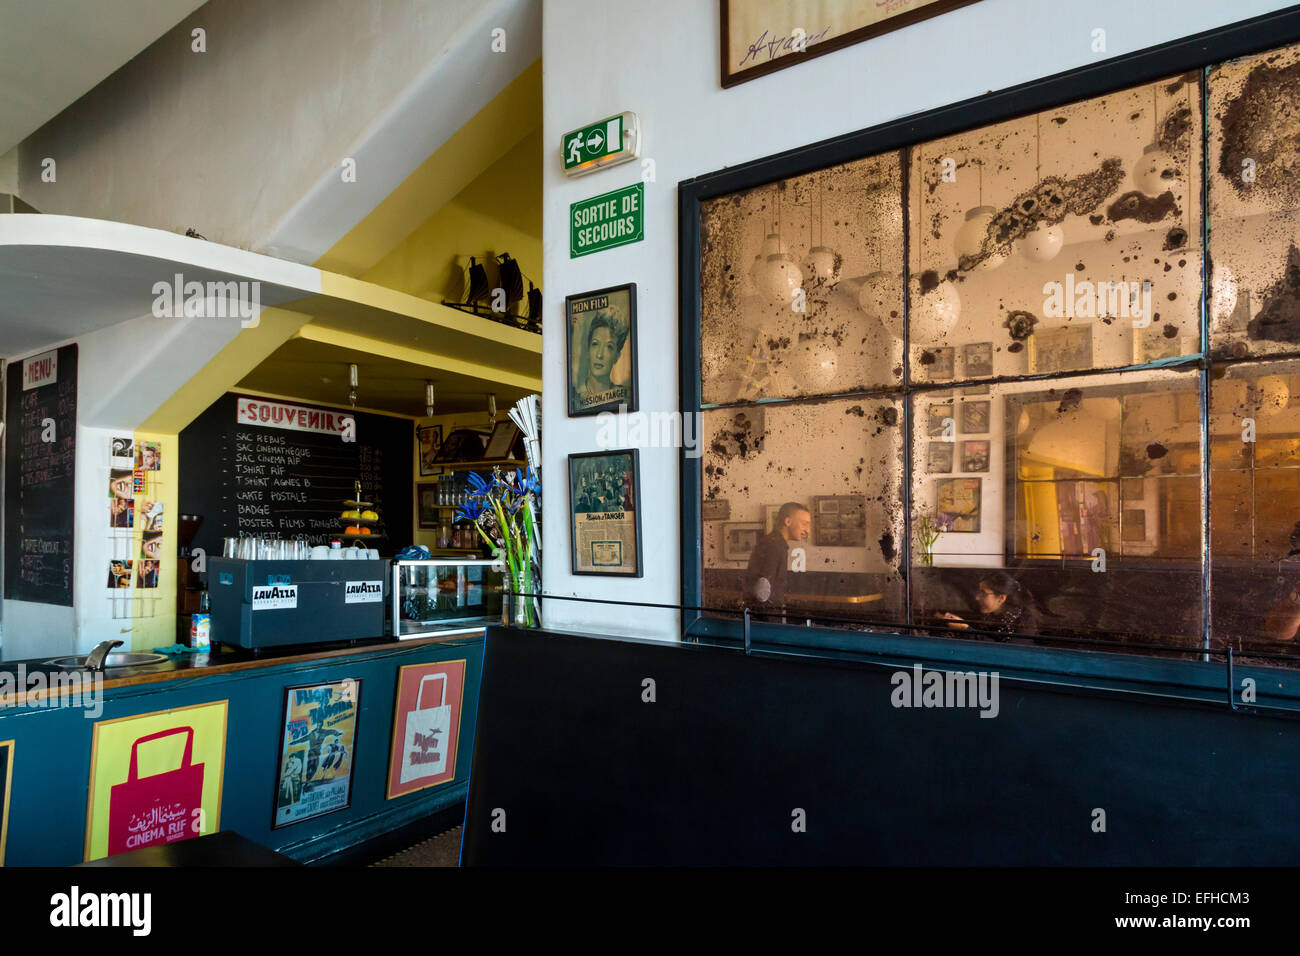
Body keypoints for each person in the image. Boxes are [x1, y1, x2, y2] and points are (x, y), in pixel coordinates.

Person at [743, 502, 811, 614]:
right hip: (766, 621)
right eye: (804, 524)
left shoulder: (774, 543)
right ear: (788, 521)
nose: (807, 530)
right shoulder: (774, 546)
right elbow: (762, 593)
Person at [936, 571, 1039, 640]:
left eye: (983, 593)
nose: (977, 597)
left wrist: (965, 629)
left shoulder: (1024, 622)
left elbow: (1003, 654)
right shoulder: (990, 614)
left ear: (1001, 598)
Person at [575, 314, 629, 409]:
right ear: (588, 350)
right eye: (595, 344)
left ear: (617, 356)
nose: (599, 355)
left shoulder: (623, 400)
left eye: (609, 347)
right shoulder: (574, 398)